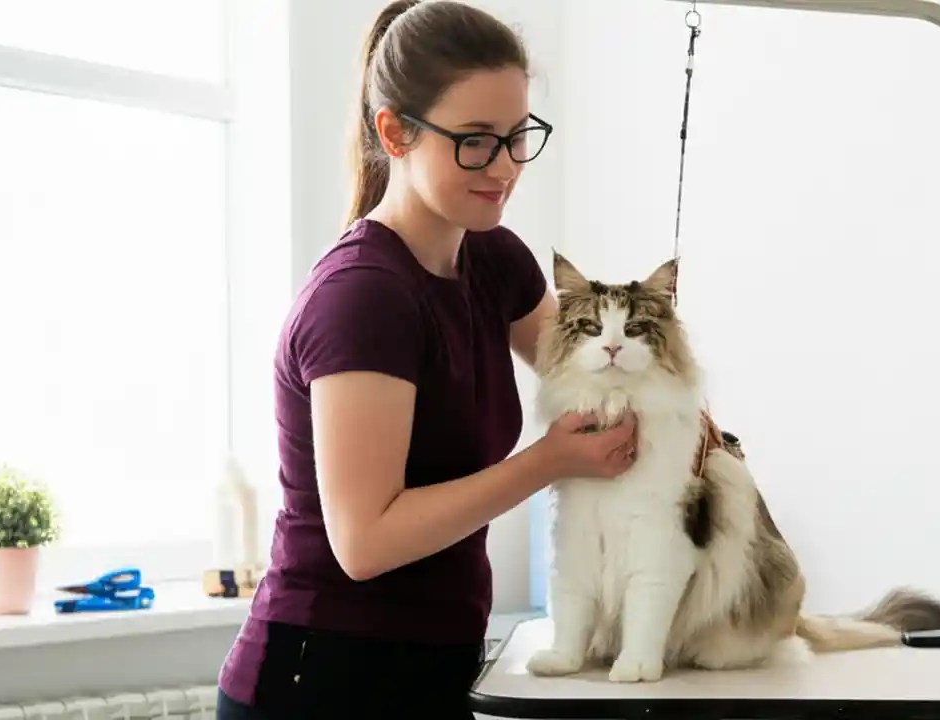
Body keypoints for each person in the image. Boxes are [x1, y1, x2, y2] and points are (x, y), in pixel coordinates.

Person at [214, 1, 638, 717]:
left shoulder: (495, 260)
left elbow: (594, 378)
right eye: (475, 142)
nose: (504, 167)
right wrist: (546, 462)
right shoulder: (363, 298)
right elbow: (365, 541)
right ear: (395, 131)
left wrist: (684, 421)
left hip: (434, 665)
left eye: (516, 138)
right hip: (320, 678)